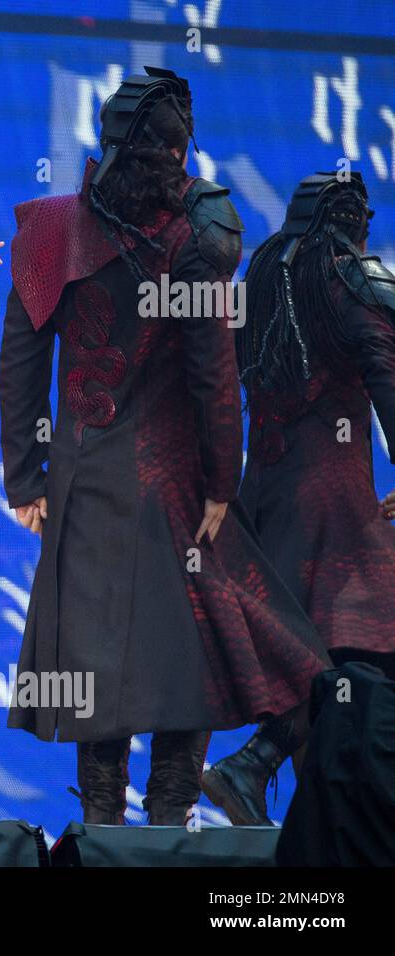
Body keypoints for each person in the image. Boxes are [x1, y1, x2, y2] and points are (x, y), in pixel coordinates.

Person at [0, 69, 331, 826]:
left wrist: (26, 476)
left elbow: (20, 362)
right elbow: (215, 375)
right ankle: (172, 818)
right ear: (179, 150)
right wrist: (222, 484)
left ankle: (106, 831)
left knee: (94, 660)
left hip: (84, 484)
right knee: (193, 647)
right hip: (178, 481)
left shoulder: (51, 229)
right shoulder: (198, 233)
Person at [202, 171, 395, 825]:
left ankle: (272, 783)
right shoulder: (352, 283)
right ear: (351, 219)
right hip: (337, 502)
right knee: (363, 653)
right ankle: (255, 767)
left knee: (322, 654)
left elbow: (220, 383)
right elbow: (384, 374)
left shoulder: (260, 281)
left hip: (269, 495)